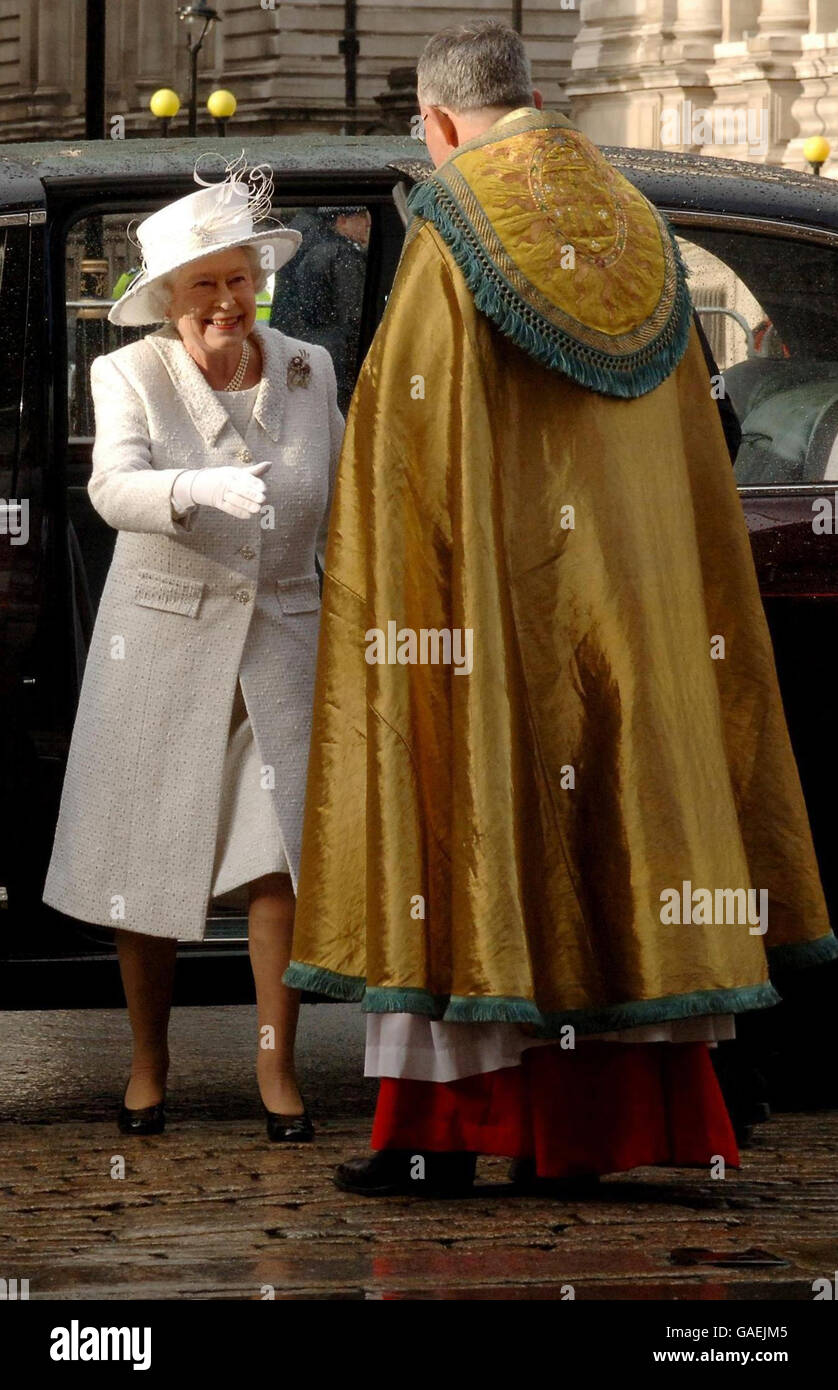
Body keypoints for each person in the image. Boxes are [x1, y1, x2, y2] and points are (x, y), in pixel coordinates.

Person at [283, 22, 837, 1197]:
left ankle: (436, 1131)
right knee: (620, 847)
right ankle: (594, 1135)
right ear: (536, 99)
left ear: (436, 123)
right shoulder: (640, 224)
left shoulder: (449, 226)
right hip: (637, 623)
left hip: (492, 625)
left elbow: (405, 460)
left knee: (476, 839)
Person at [42, 154, 343, 1143]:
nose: (227, 300)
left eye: (240, 278)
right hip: (164, 642)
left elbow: (346, 502)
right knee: (150, 861)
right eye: (206, 283)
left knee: (276, 868)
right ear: (170, 294)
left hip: (283, 643)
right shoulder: (127, 371)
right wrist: (190, 492)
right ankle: (147, 1061)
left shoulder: (307, 366)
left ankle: (275, 1067)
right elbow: (111, 490)